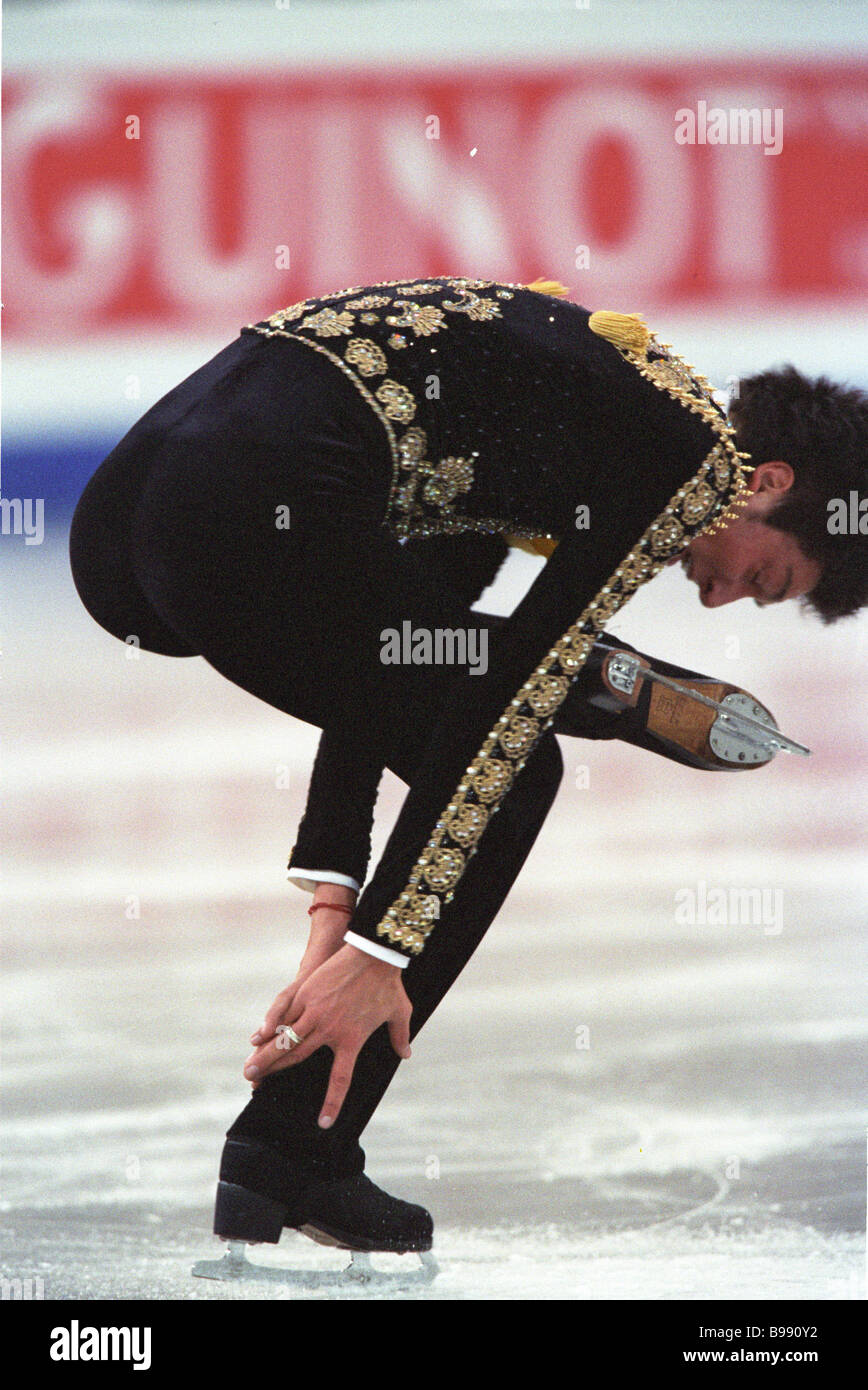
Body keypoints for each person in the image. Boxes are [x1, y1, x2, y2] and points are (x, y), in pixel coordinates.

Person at [68, 275, 866, 1260]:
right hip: (236, 519)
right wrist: (382, 955)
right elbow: (505, 703)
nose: (721, 600)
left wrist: (335, 898)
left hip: (131, 541)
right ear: (768, 482)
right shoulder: (686, 461)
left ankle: (285, 1153)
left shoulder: (591, 394)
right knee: (521, 755)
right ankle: (293, 1147)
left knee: (448, 663)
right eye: (764, 577)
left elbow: (391, 654)